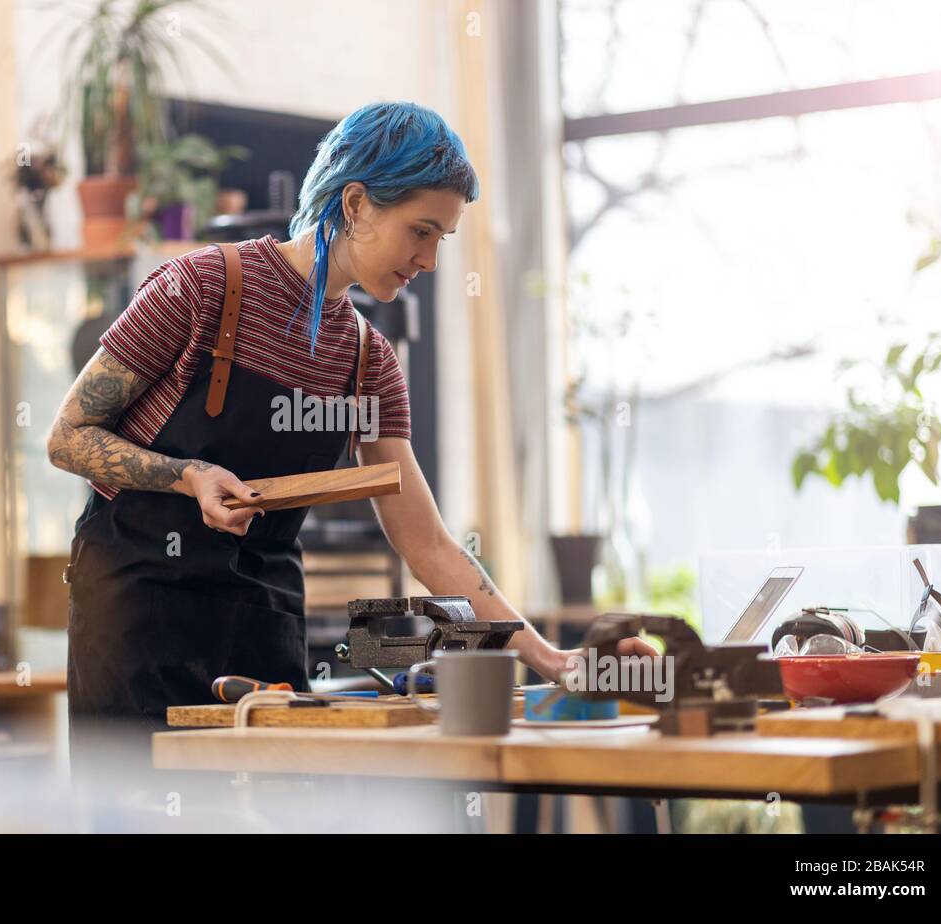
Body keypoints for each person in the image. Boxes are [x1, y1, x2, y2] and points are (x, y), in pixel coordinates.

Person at [46, 101, 655, 753]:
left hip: (261, 621)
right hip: (139, 615)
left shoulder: (368, 361)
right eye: (421, 231)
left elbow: (429, 545)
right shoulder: (199, 288)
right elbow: (68, 437)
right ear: (357, 203)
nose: (429, 260)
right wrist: (186, 475)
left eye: (442, 240)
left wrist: (551, 659)